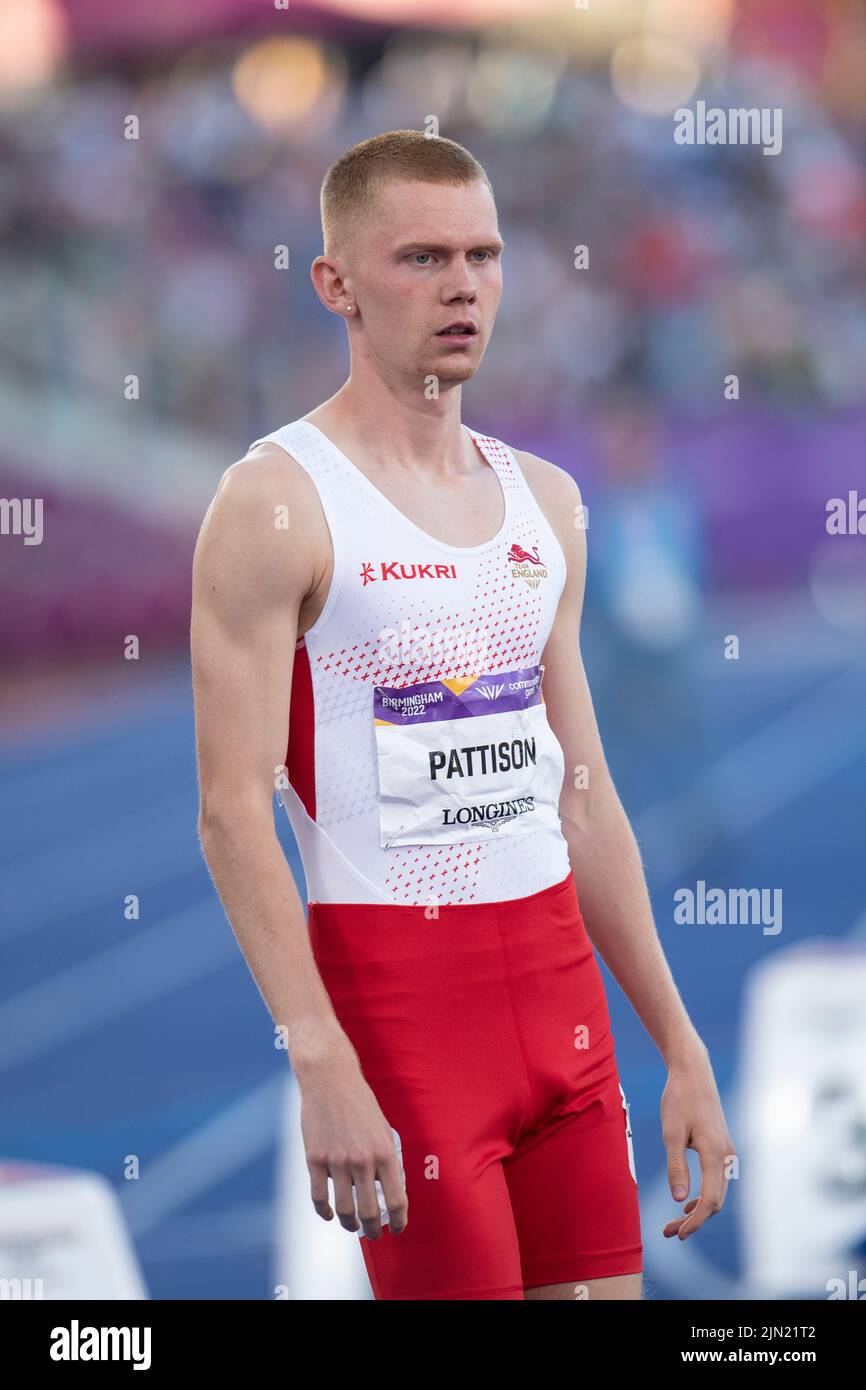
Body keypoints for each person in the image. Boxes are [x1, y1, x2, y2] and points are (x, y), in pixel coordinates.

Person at [190, 130, 734, 1301]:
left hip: (565, 1022)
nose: (461, 287)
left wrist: (678, 1042)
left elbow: (582, 801)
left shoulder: (545, 503)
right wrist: (318, 1051)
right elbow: (232, 810)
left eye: (483, 255)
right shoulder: (276, 502)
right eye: (422, 257)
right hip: (404, 1030)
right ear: (335, 283)